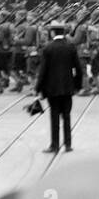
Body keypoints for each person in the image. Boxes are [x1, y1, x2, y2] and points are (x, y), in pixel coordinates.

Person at [34, 20, 84, 154]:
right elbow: (79, 69)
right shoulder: (70, 47)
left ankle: (54, 145)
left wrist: (38, 88)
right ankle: (68, 144)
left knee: (54, 117)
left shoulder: (48, 48)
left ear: (52, 32)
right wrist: (77, 86)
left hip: (52, 89)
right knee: (67, 116)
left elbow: (43, 71)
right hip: (68, 88)